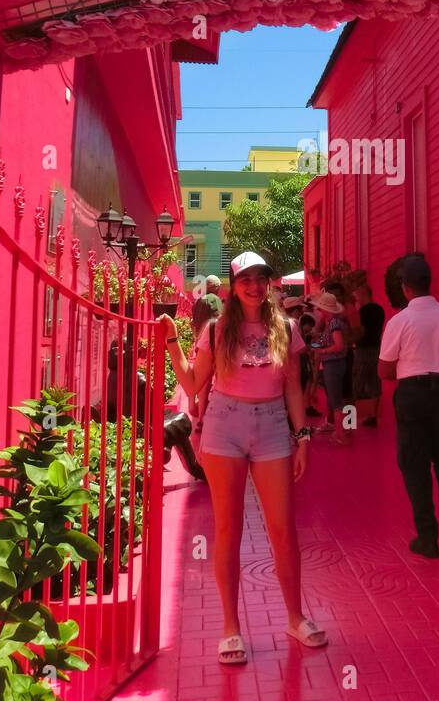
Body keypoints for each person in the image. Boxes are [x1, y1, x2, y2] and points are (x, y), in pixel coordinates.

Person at [164, 250, 326, 665]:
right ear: (234, 287)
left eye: (261, 279)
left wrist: (302, 435)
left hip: (272, 423)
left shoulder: (286, 328)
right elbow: (194, 380)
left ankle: (295, 617)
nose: (255, 287)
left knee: (283, 528)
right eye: (245, 280)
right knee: (228, 529)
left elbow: (292, 387)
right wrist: (170, 340)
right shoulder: (217, 330)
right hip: (224, 424)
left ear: (269, 283)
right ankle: (230, 629)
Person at [378, 255, 439, 558]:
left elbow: (384, 371)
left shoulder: (399, 322)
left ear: (405, 287)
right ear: (428, 282)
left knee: (414, 465)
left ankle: (427, 536)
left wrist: (411, 369)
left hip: (412, 394)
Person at [309, 290, 351, 442]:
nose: (319, 311)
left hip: (333, 363)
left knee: (335, 398)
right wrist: (315, 345)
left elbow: (338, 345)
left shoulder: (333, 323)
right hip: (334, 363)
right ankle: (340, 431)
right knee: (335, 398)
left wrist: (322, 350)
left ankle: (340, 433)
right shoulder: (334, 323)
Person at [351, 283, 385, 427]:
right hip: (376, 348)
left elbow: (361, 329)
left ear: (363, 294)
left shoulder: (364, 311)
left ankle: (349, 420)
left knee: (356, 383)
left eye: (357, 295)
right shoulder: (380, 309)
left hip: (363, 349)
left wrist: (353, 340)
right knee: (374, 382)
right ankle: (373, 416)